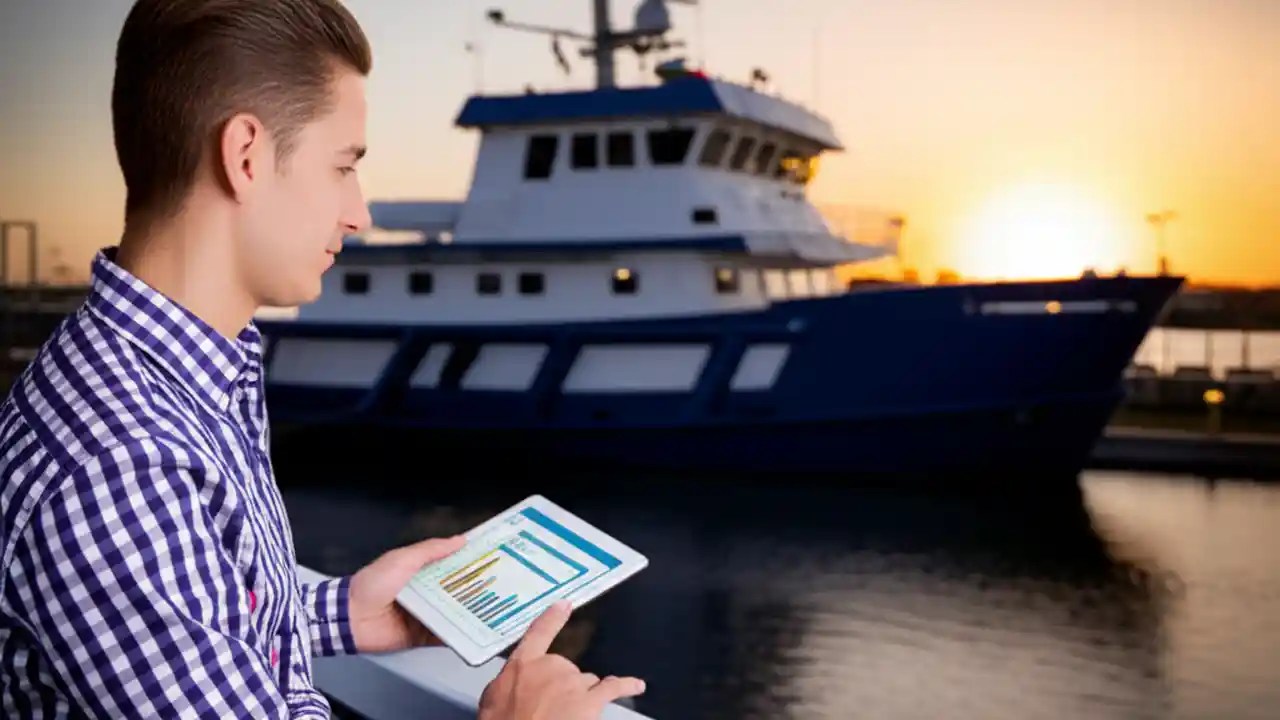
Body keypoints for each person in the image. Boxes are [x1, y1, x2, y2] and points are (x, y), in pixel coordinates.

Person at [0, 1, 645, 718]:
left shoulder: (164, 380)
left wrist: (344, 614)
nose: (359, 213)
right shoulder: (119, 465)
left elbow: (185, 607)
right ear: (245, 156)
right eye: (342, 167)